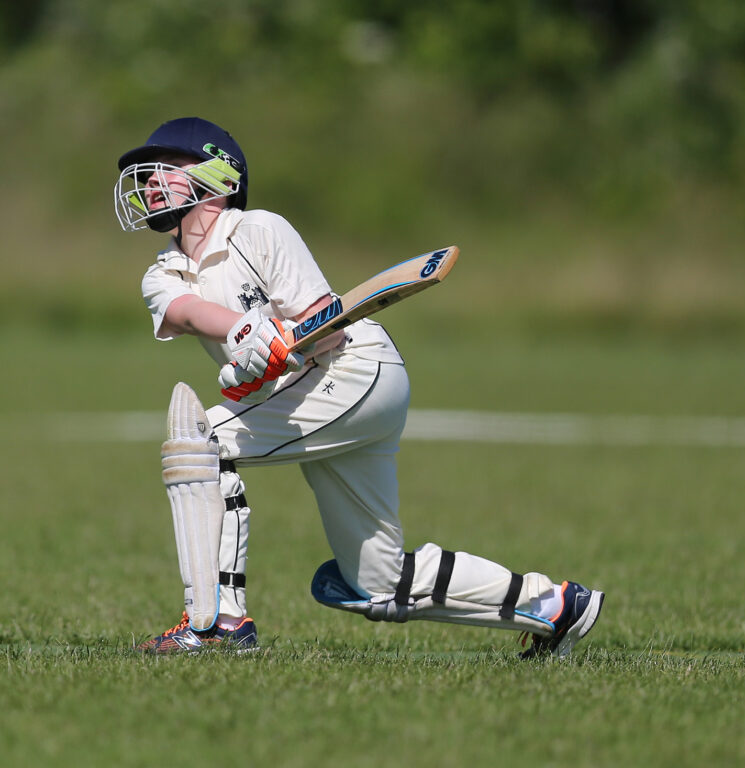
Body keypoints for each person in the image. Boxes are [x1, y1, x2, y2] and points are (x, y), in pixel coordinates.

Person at [113, 116, 605, 657]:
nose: (151, 181)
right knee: (377, 583)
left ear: (219, 176)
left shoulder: (259, 229)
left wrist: (272, 349)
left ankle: (218, 623)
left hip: (352, 371)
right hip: (308, 401)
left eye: (170, 168)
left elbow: (328, 327)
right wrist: (245, 338)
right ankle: (555, 606)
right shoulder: (162, 274)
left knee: (200, 444)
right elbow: (188, 313)